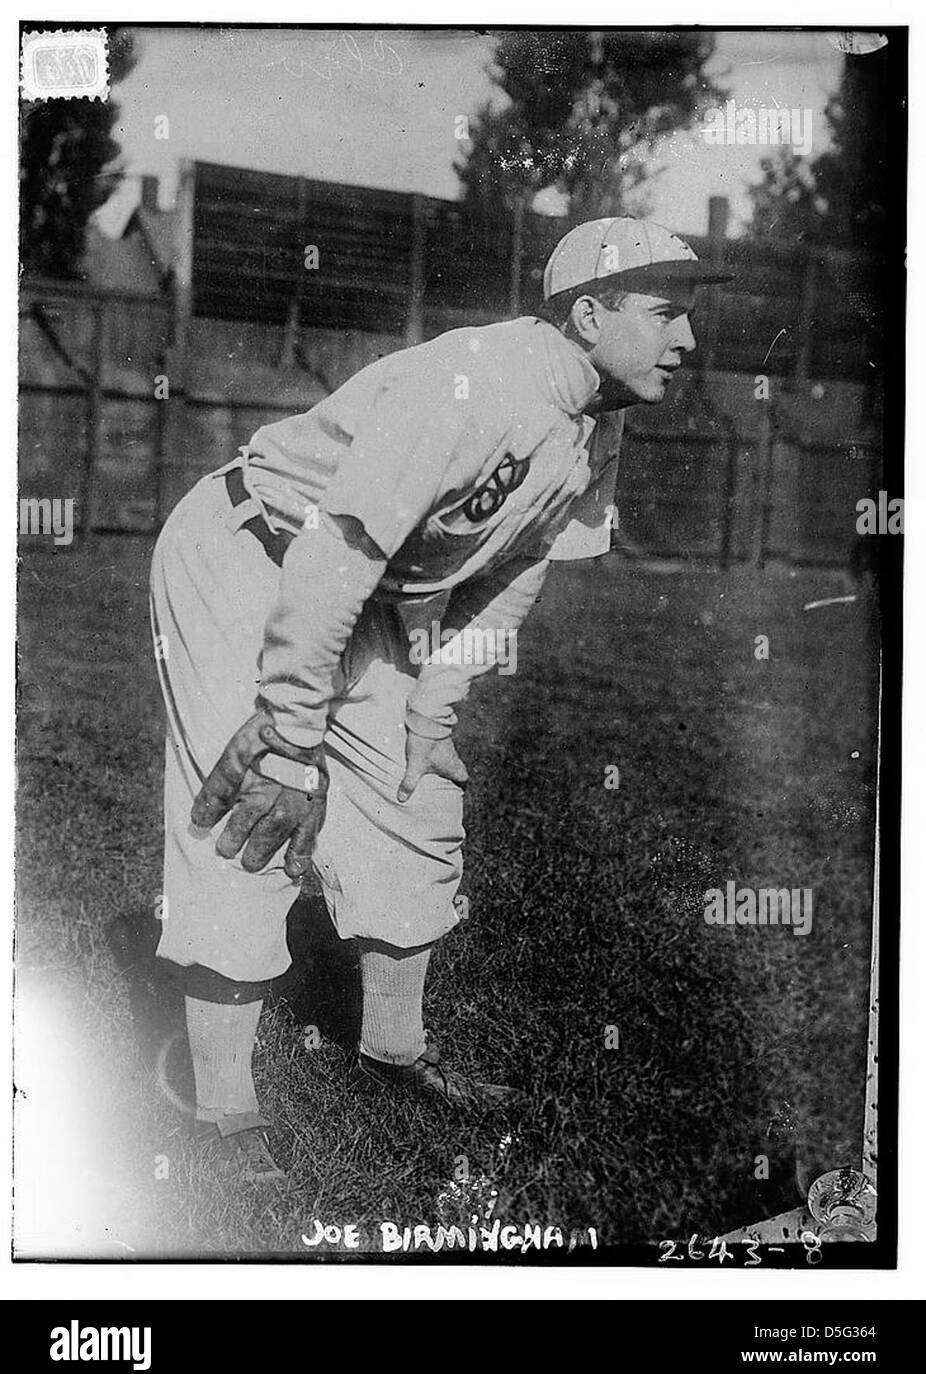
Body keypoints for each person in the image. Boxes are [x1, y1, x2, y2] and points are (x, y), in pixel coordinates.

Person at [149, 216, 731, 1180]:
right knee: (251, 804)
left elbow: (517, 571)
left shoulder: (597, 419)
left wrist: (434, 710)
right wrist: (293, 740)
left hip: (362, 585)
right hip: (251, 551)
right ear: (589, 315)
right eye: (667, 313)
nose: (689, 341)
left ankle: (395, 1054)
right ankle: (223, 1112)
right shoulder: (472, 385)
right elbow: (339, 546)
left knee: (418, 796)